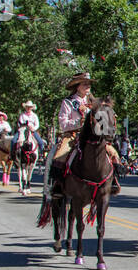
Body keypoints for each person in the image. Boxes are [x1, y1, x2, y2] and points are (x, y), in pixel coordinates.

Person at [43, 71, 121, 200]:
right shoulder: (68, 102)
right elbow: (63, 124)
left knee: (113, 153)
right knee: (59, 156)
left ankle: (112, 181)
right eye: (84, 84)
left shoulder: (97, 103)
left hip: (93, 136)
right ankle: (58, 185)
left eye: (89, 84)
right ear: (77, 86)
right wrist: (79, 122)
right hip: (73, 135)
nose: (87, 86)